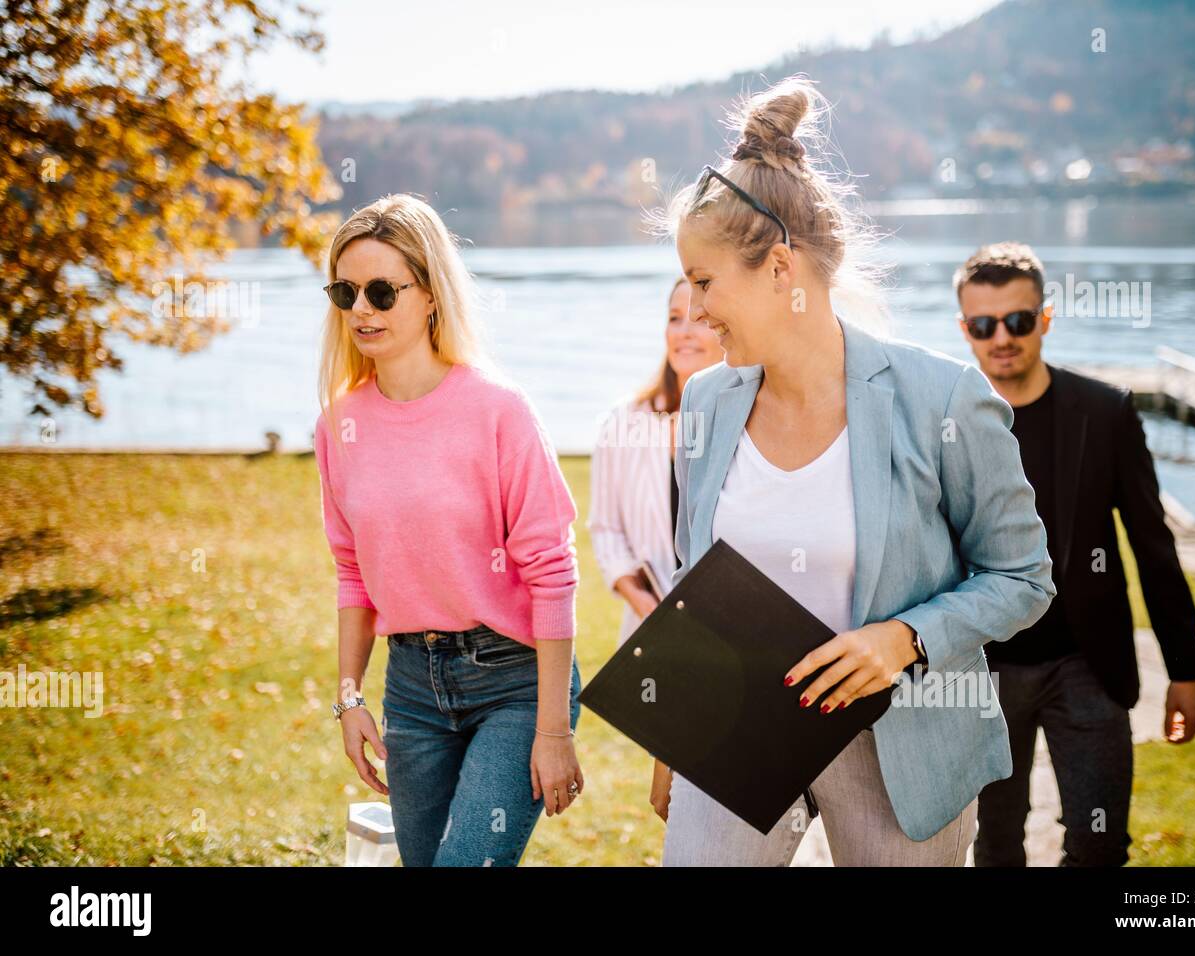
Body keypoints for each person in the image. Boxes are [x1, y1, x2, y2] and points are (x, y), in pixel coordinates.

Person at [649, 75, 1056, 866]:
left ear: (778, 268)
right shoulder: (704, 403)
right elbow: (688, 576)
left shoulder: (942, 396)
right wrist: (677, 732)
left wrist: (904, 638)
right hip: (735, 736)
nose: (693, 313)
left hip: (901, 752)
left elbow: (1023, 576)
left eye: (704, 284)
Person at [313, 193, 583, 867]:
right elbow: (352, 573)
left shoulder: (498, 410)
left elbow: (552, 570)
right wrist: (348, 699)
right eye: (347, 292)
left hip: (513, 683)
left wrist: (553, 731)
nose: (361, 311)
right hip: (411, 690)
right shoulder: (339, 425)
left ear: (430, 294)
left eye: (382, 291)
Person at [953, 241, 1195, 867]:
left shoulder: (1105, 412)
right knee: (993, 846)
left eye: (1018, 320)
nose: (1002, 338)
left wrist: (1186, 671)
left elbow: (1153, 546)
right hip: (982, 674)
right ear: (965, 329)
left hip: (1087, 665)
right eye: (985, 325)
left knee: (1098, 847)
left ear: (1045, 317)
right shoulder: (945, 420)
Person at [588, 275, 724, 822]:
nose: (683, 331)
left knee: (733, 789)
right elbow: (607, 532)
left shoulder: (751, 418)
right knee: (674, 802)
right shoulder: (627, 422)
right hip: (658, 636)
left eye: (697, 316)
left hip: (738, 636)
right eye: (673, 316)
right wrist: (654, 614)